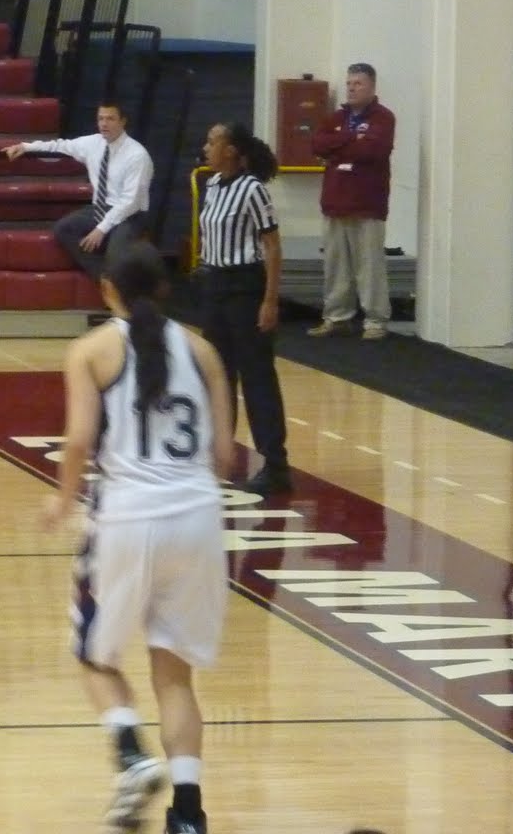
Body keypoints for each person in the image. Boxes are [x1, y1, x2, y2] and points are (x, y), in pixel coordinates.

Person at [42, 242, 233, 834]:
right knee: (174, 675)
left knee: (94, 654)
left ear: (108, 290)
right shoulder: (202, 351)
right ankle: (189, 813)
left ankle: (130, 752)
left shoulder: (92, 349)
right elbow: (225, 456)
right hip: (199, 517)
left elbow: (78, 441)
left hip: (127, 517)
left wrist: (63, 499)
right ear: (165, 289)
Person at [196, 123, 290, 496]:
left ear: (232, 150)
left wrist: (269, 299)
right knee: (218, 375)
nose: (206, 147)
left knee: (256, 377)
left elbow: (273, 247)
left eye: (212, 141)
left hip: (245, 288)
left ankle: (276, 463)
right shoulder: (213, 185)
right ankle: (221, 456)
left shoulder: (253, 189)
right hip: (215, 285)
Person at [5, 100, 153, 281]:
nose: (104, 124)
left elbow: (131, 202)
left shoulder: (137, 155)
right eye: (101, 119)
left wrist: (101, 229)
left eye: (110, 119)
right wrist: (26, 146)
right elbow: (59, 145)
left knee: (117, 254)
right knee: (64, 229)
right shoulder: (92, 143)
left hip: (130, 214)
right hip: (101, 207)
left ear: (123, 122)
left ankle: (123, 293)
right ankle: (104, 278)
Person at [310, 63, 396, 341]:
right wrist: (349, 137)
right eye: (349, 83)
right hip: (335, 201)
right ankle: (336, 317)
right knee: (335, 265)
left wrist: (336, 149)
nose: (351, 88)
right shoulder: (335, 117)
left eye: (358, 83)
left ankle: (374, 321)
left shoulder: (383, 118)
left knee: (369, 265)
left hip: (367, 203)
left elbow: (372, 150)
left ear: (372, 87)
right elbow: (317, 145)